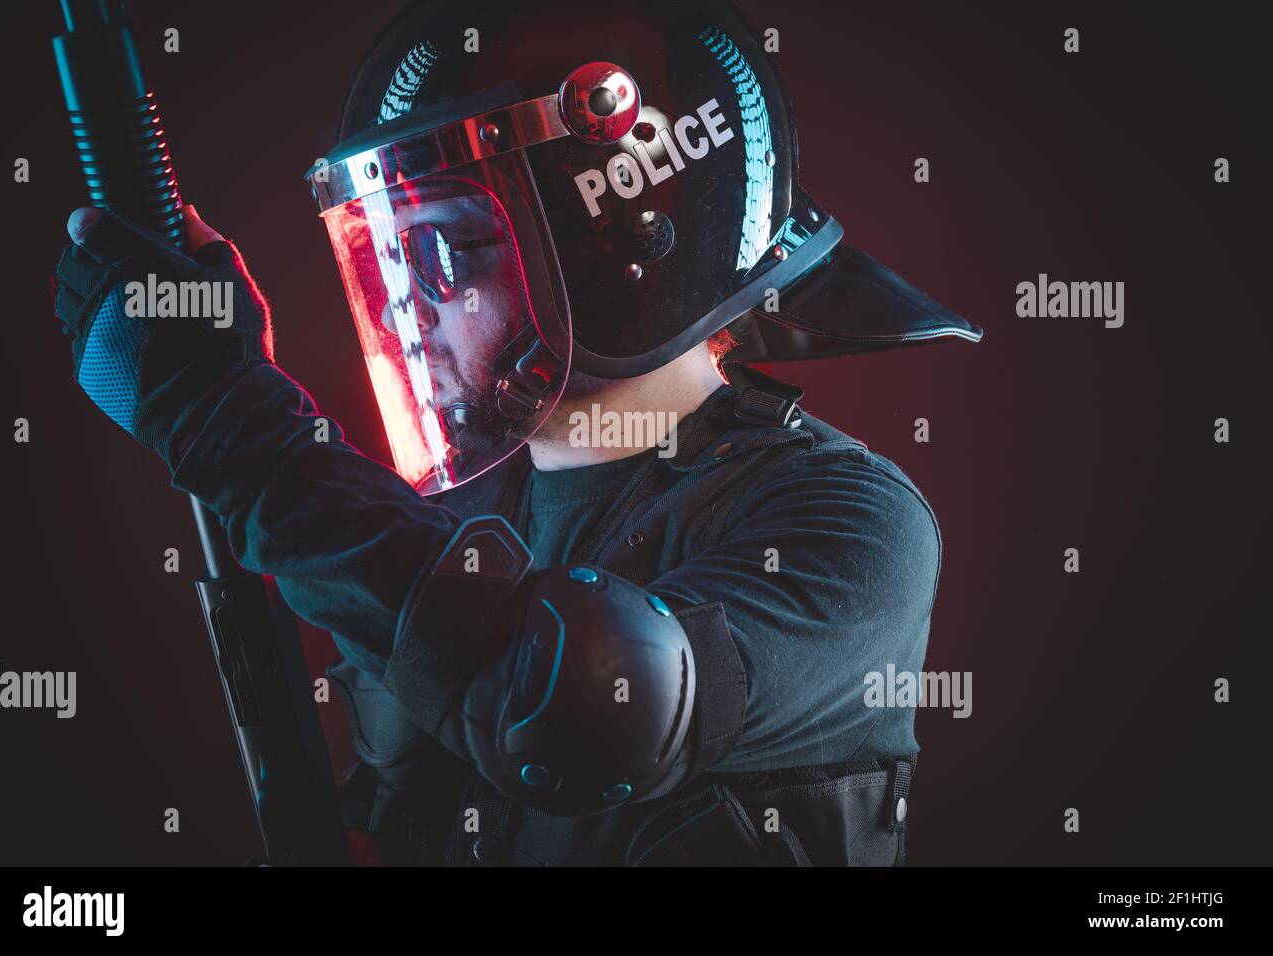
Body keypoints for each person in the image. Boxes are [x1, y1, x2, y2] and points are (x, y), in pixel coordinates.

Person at [51, 0, 981, 866]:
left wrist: (228, 422)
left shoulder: (853, 523)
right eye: (392, 255)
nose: (411, 309)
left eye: (446, 251)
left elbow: (582, 710)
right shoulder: (456, 513)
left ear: (619, 246)